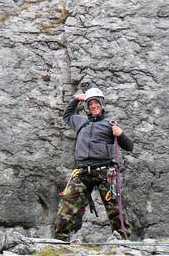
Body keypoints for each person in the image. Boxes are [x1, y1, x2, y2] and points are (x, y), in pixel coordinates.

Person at [54, 87, 134, 241]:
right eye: (90, 103)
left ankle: (124, 240)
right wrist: (76, 100)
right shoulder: (80, 122)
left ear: (102, 104)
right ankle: (60, 240)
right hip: (83, 171)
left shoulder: (110, 124)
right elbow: (67, 115)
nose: (93, 106)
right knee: (68, 203)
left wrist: (121, 134)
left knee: (114, 208)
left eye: (96, 103)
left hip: (105, 171)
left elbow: (129, 146)